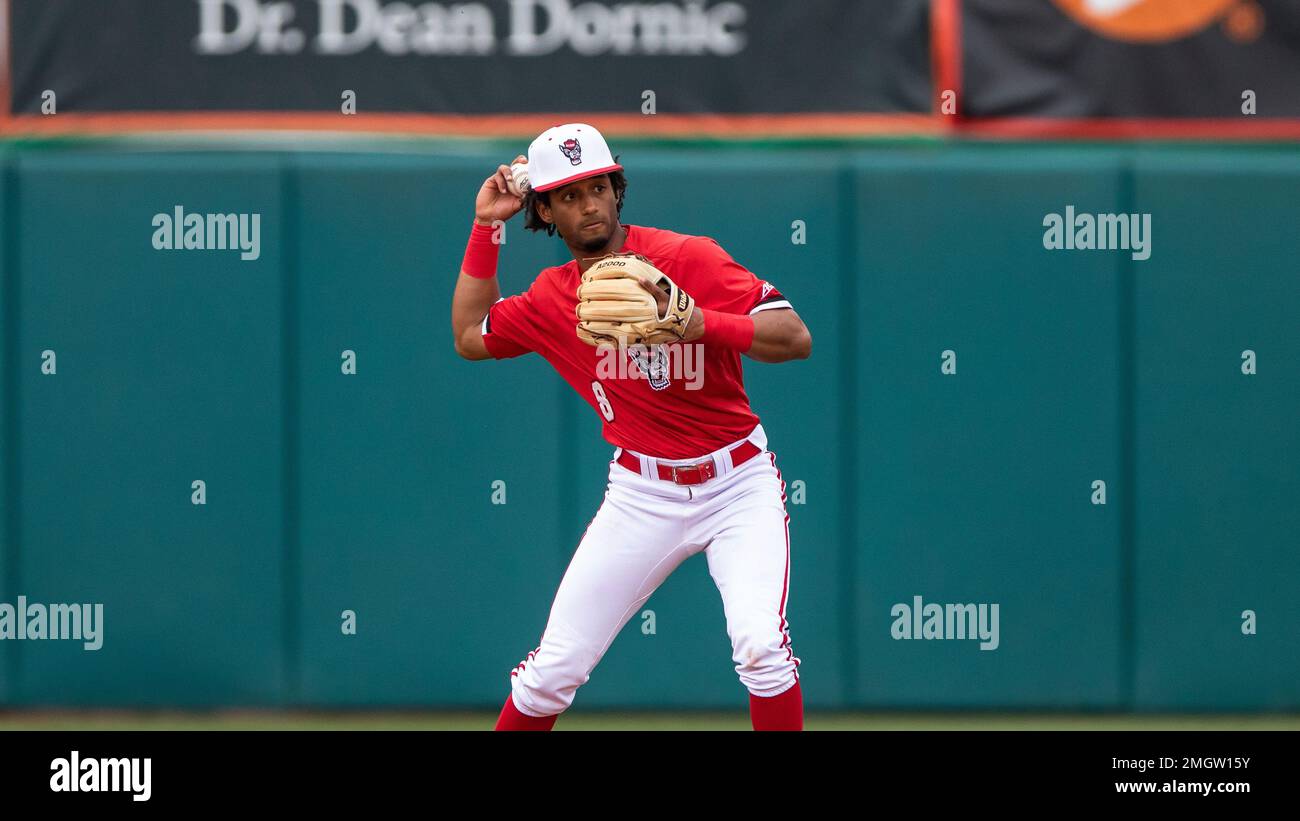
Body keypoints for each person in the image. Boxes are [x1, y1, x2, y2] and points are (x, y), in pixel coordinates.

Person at [451, 123, 813, 730]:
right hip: (642, 494)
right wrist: (486, 226)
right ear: (543, 209)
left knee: (762, 648)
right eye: (568, 195)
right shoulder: (551, 298)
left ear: (618, 189)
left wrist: (699, 322)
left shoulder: (688, 258)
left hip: (737, 484)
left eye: (598, 187)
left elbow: (794, 336)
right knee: (552, 670)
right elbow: (469, 335)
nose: (589, 205)